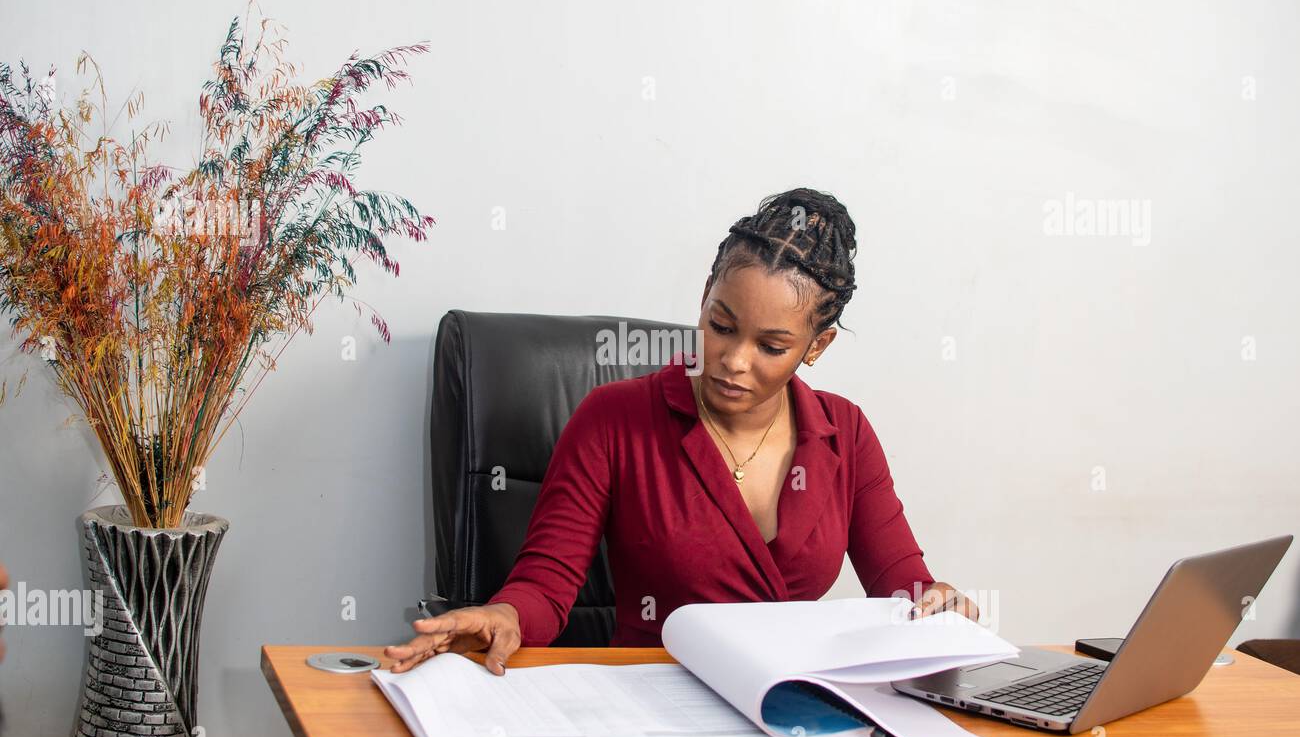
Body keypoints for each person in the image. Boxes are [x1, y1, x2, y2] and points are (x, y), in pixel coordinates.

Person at [386, 188, 979, 676]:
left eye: (772, 346)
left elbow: (904, 587)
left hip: (791, 714)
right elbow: (547, 582)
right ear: (704, 299)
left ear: (816, 347)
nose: (733, 360)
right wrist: (506, 616)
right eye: (721, 326)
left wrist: (937, 605)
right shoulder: (614, 419)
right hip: (652, 704)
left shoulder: (843, 433)